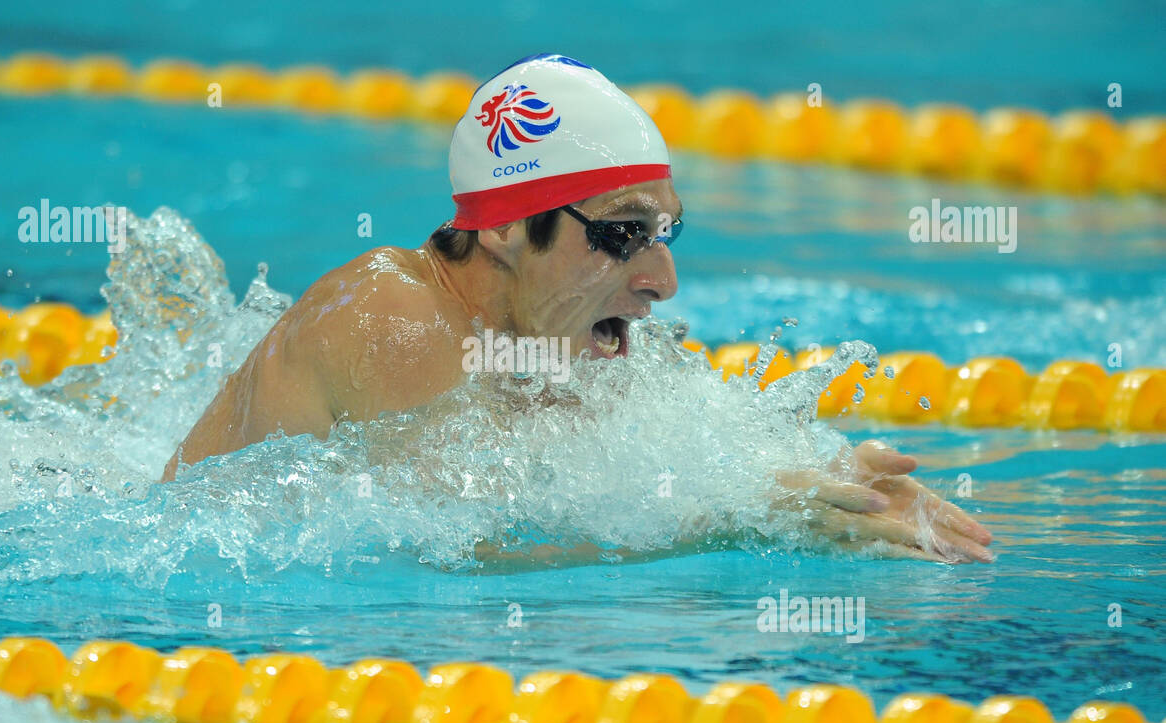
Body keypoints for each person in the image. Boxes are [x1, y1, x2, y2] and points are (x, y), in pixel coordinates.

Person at [163, 53, 993, 564]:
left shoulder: (558, 335)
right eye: (623, 234)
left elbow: (654, 472)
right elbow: (461, 549)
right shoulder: (393, 316)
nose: (662, 280)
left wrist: (840, 490)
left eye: (666, 232)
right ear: (504, 231)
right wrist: (746, 521)